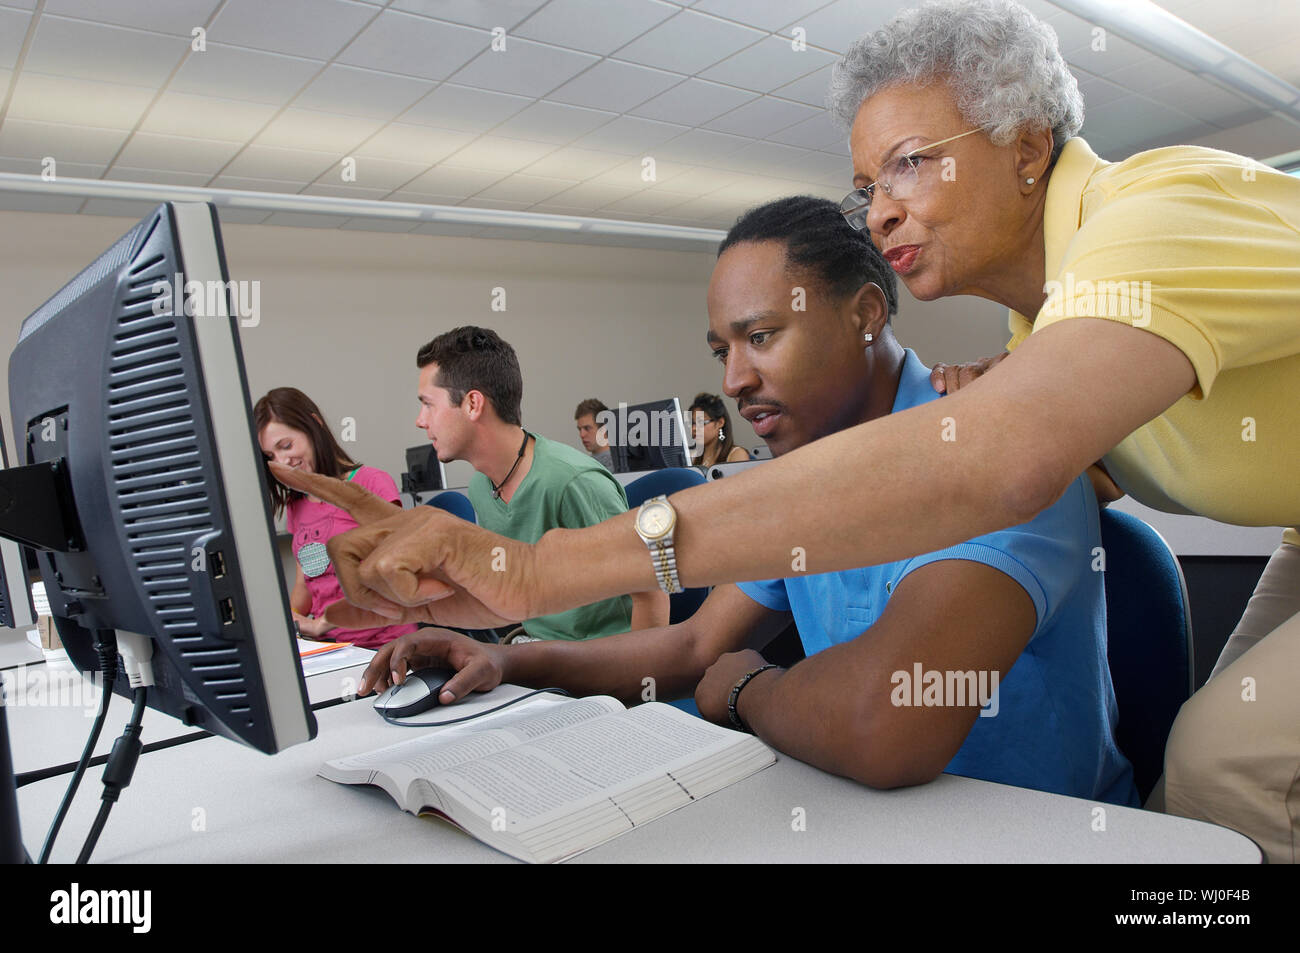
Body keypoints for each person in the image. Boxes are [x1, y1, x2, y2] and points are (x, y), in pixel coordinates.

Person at [270, 0, 1299, 860]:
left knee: (1224, 762)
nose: (881, 210)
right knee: (1206, 813)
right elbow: (688, 646)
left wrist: (552, 579)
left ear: (1029, 148)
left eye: (908, 164)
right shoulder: (1028, 341)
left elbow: (990, 469)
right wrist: (513, 654)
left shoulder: (1147, 219)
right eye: (866, 187)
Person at [280, 197, 1136, 806]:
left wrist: (750, 690)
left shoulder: (995, 452)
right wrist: (507, 660)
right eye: (722, 347)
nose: (732, 381)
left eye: (762, 337)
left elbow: (885, 722)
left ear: (867, 313)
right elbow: (693, 642)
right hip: (861, 818)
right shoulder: (801, 479)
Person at [415, 327, 667, 641]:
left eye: (428, 404)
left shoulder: (572, 482)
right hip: (539, 655)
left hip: (603, 669)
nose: (421, 420)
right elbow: (510, 593)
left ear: (472, 404)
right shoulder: (481, 486)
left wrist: (635, 679)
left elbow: (651, 593)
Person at [253, 387, 416, 649]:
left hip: (384, 644)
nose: (281, 462)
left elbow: (398, 574)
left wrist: (323, 622)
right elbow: (306, 585)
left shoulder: (371, 483)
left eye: (286, 446)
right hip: (330, 648)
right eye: (271, 456)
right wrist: (285, 618)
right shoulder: (298, 506)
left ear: (314, 426)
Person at [687, 393, 749, 467]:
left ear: (720, 423)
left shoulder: (736, 454)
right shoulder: (692, 457)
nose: (694, 428)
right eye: (692, 423)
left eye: (700, 422)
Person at [573, 398, 614, 471]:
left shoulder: (618, 465)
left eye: (587, 428)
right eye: (580, 429)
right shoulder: (586, 464)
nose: (581, 435)